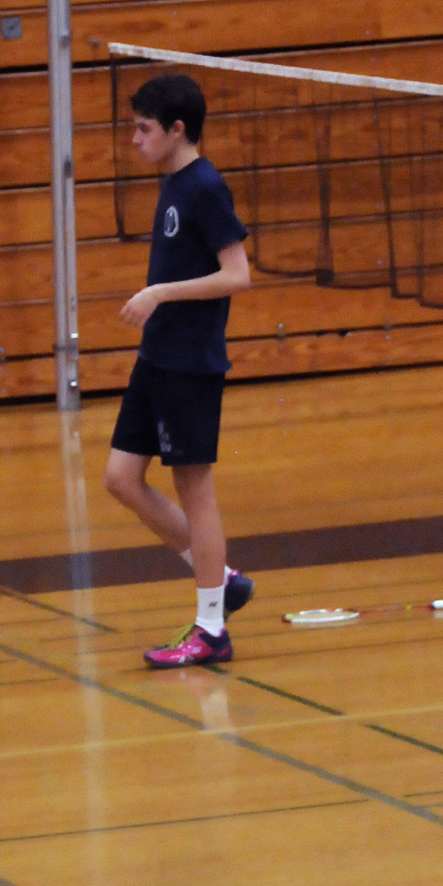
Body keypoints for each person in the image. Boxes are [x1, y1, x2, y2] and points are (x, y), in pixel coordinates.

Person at [103, 73, 254, 668]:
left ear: (176, 130)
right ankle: (221, 578)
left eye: (143, 129)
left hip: (190, 363)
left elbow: (237, 273)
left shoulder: (205, 188)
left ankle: (212, 629)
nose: (134, 140)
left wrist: (160, 292)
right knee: (120, 477)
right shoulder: (173, 183)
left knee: (196, 490)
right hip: (156, 359)